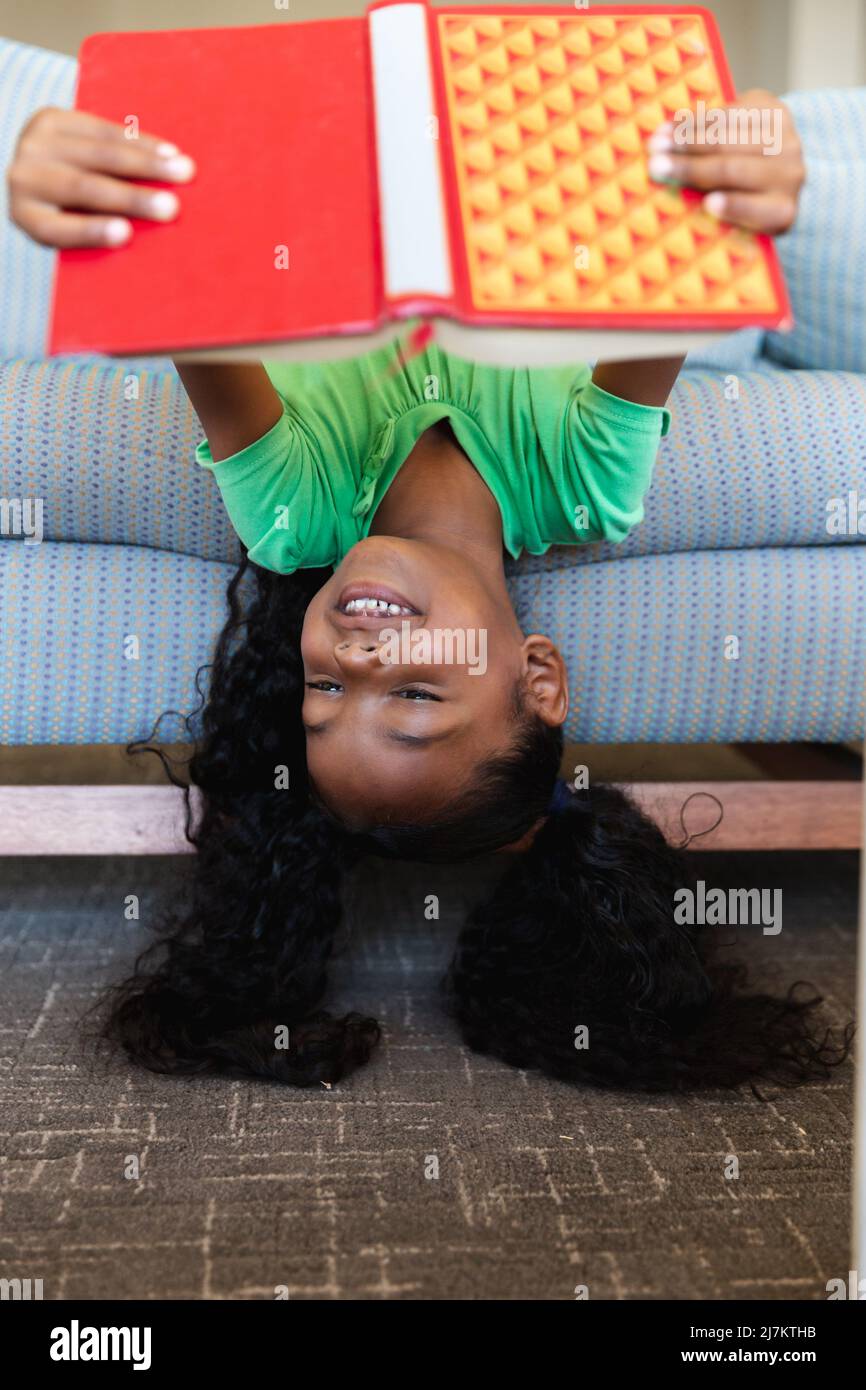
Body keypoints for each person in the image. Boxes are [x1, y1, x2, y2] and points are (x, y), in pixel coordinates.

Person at [8, 88, 848, 1093]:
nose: (355, 661)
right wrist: (738, 165)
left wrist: (79, 182)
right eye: (412, 696)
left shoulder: (290, 509)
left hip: (309, 143)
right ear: (538, 678)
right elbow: (674, 264)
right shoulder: (583, 477)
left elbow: (181, 292)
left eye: (322, 697)